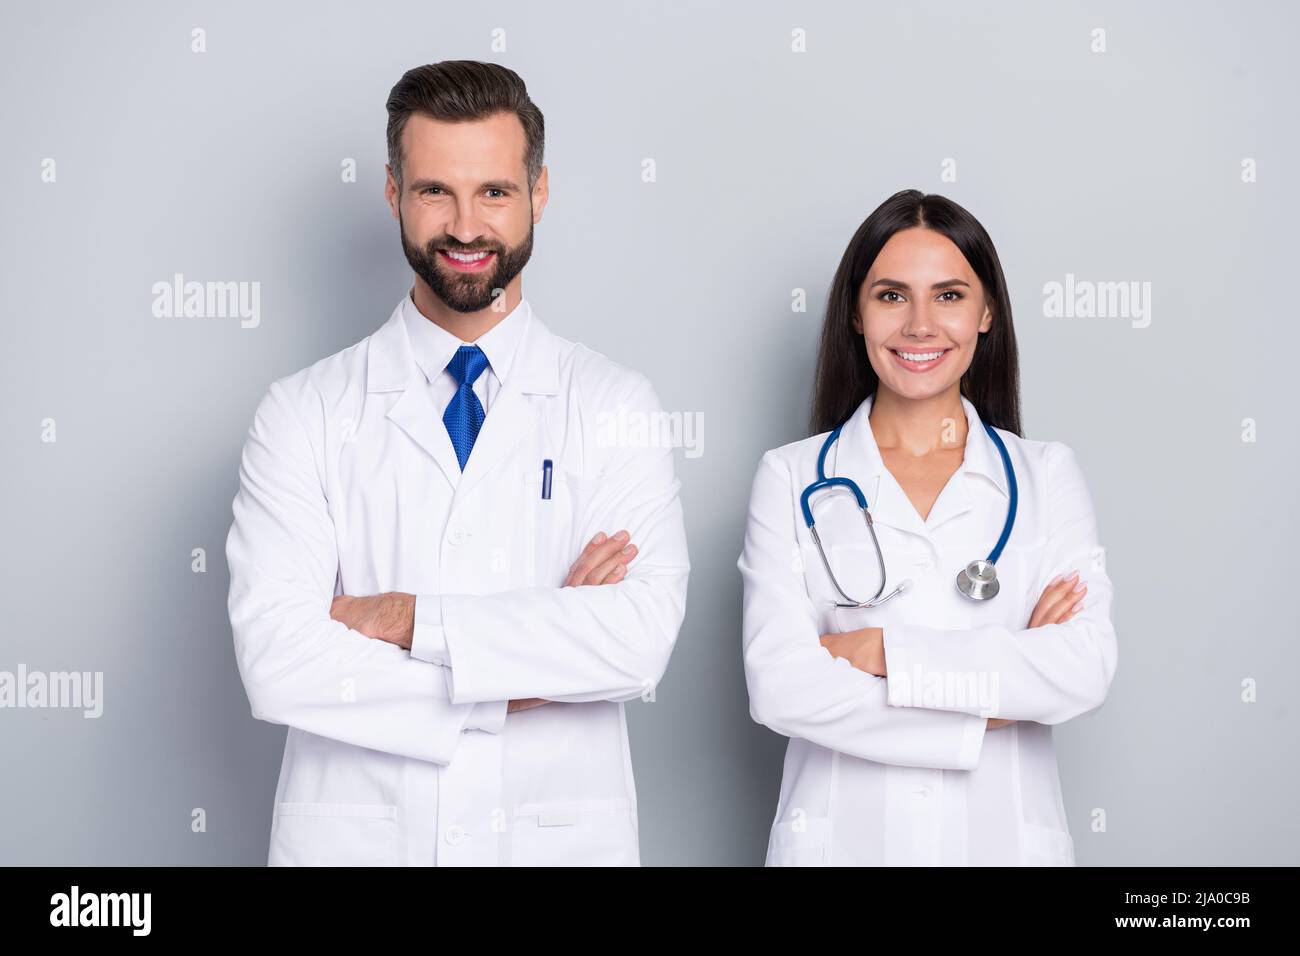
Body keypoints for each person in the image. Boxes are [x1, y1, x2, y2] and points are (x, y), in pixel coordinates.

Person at [225, 60, 689, 866]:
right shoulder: (301, 412)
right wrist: (533, 661)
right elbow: (278, 660)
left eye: (496, 193)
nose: (467, 227)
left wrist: (401, 618)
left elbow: (636, 641)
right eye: (436, 190)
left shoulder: (615, 405)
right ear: (393, 193)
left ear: (539, 194)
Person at [738, 189, 1117, 866]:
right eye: (891, 296)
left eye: (948, 295)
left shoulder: (1045, 475)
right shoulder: (792, 477)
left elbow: (1082, 670)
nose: (920, 325)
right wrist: (1000, 686)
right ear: (856, 313)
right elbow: (781, 687)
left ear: (987, 311)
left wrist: (881, 653)